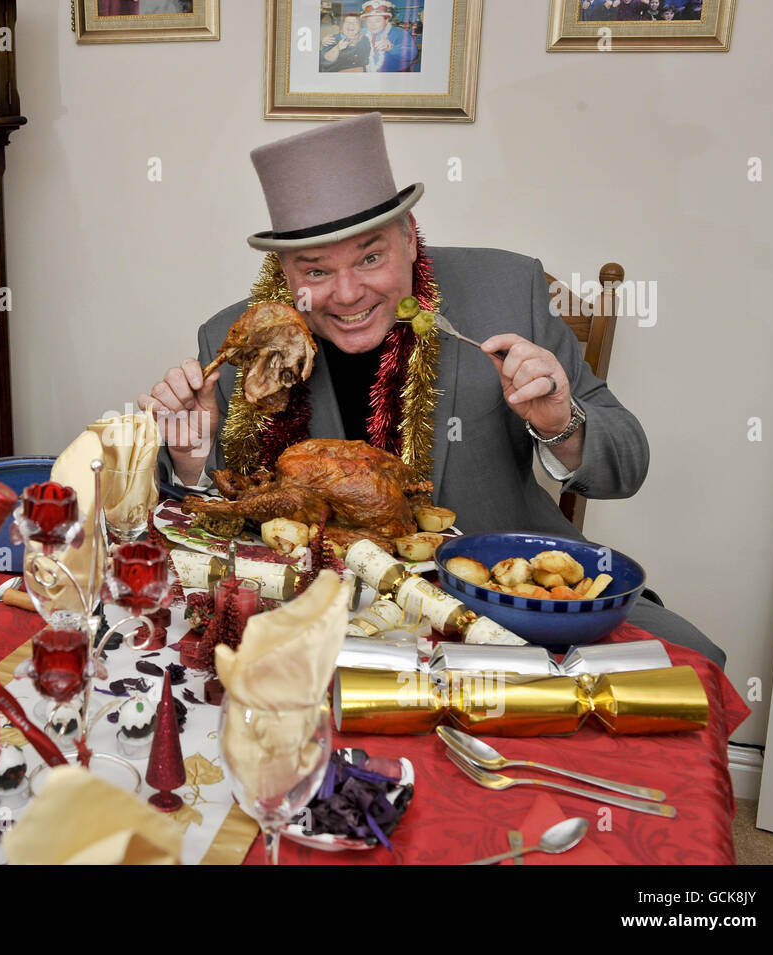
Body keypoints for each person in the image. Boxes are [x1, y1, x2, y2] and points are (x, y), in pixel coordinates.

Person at [140, 113, 726, 667]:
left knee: (692, 676)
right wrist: (192, 456)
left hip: (503, 605)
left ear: (411, 237)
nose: (346, 294)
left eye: (370, 257)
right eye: (316, 271)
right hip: (317, 623)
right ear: (285, 272)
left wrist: (560, 422)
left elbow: (625, 468)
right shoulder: (238, 339)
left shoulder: (508, 289)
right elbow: (206, 528)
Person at [360, 1, 416, 73]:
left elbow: (412, 53)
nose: (372, 25)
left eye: (377, 21)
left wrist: (391, 48)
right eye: (369, 21)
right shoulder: (362, 33)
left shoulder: (399, 33)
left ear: (386, 20)